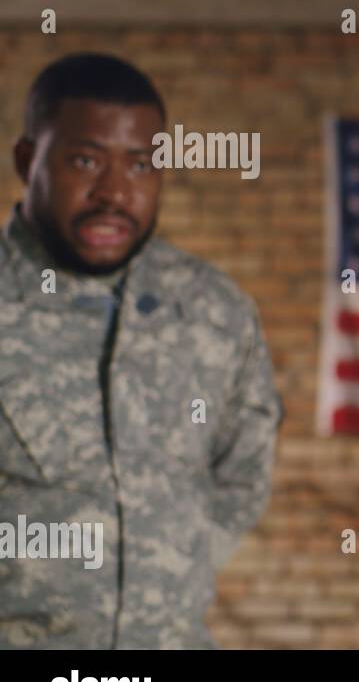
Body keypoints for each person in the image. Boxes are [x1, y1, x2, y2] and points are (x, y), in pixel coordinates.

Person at [0, 53, 282, 648]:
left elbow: (241, 477)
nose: (114, 192)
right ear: (28, 161)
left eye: (140, 164)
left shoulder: (212, 309)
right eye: (84, 160)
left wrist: (165, 571)